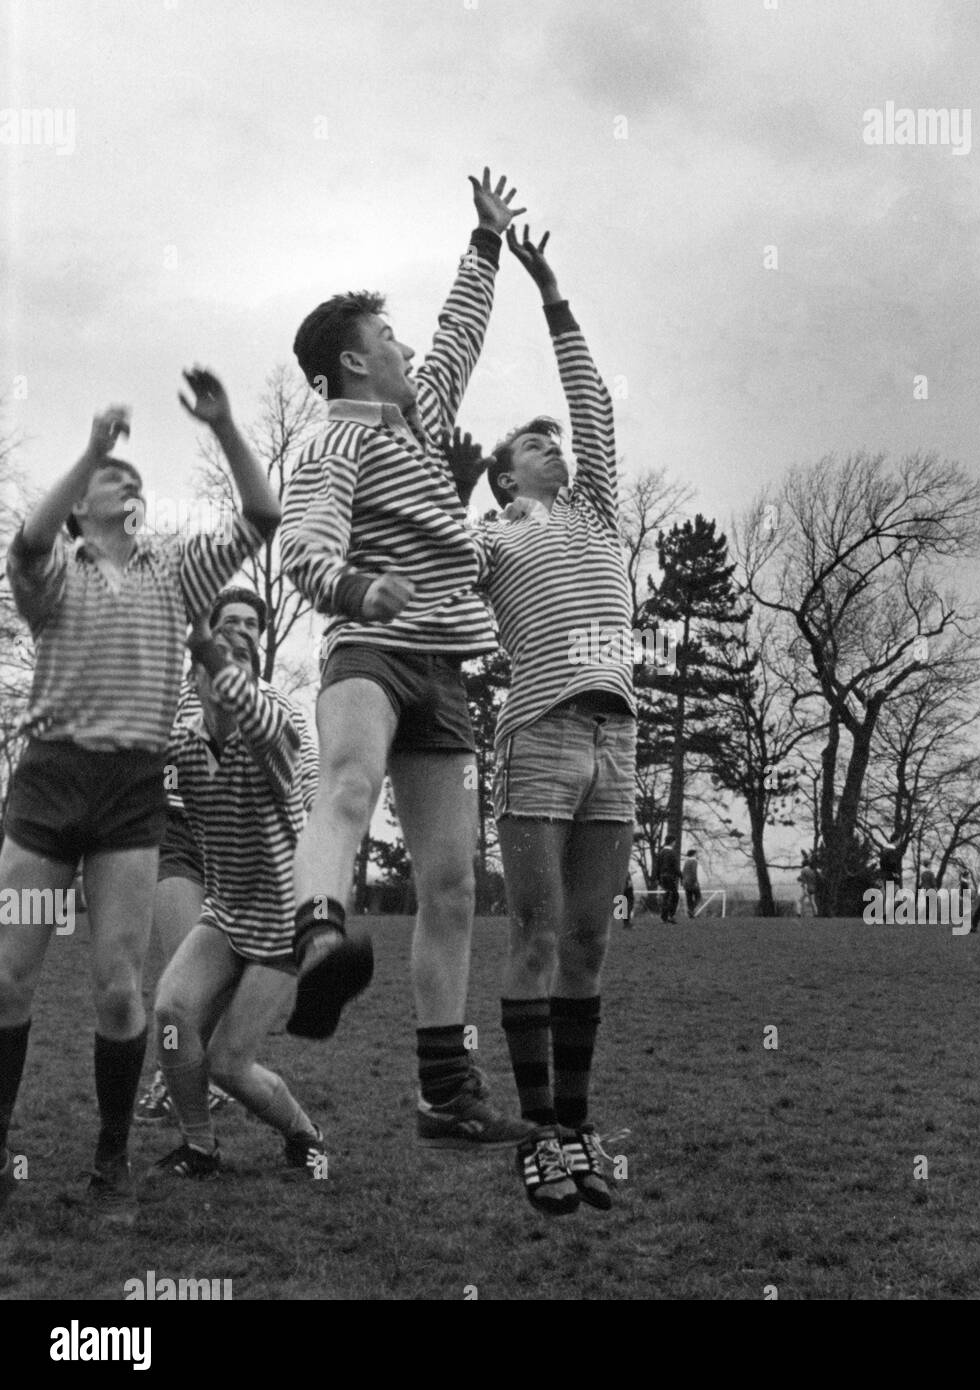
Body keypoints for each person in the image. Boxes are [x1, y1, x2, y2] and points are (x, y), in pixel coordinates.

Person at [280, 168, 530, 1149]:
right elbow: (303, 548)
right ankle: (320, 936)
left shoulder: (421, 418)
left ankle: (442, 1090)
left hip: (445, 668)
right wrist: (354, 588)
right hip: (370, 653)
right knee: (345, 781)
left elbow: (460, 332)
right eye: (386, 336)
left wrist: (485, 242)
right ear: (352, 359)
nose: (404, 343)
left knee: (454, 881)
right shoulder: (334, 445)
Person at [0, 374, 279, 1222]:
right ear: (81, 506)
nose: (128, 481)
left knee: (120, 990)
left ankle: (110, 1156)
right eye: (109, 478)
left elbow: (261, 517)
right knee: (9, 976)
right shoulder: (55, 568)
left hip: (128, 793)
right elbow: (23, 543)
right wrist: (91, 447)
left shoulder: (179, 575)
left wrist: (228, 425)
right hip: (49, 782)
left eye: (134, 478)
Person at [478, 225, 635, 1215]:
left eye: (554, 439)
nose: (555, 444)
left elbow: (595, 402)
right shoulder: (490, 536)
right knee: (535, 932)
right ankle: (536, 1141)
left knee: (588, 941)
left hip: (613, 738)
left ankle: (575, 1131)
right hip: (536, 737)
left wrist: (549, 287)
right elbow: (434, 582)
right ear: (505, 477)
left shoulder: (600, 514)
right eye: (534, 443)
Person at [152, 616, 324, 1179]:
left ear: (253, 676)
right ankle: (200, 1148)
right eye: (212, 664)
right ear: (194, 680)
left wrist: (205, 639)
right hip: (225, 914)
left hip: (281, 920)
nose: (226, 673)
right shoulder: (181, 743)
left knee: (228, 1063)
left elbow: (256, 714)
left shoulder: (273, 731)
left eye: (241, 660)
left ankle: (304, 1134)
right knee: (172, 1013)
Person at [135, 586, 283, 1123]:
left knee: (224, 1035)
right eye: (231, 624)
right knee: (180, 985)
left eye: (251, 626)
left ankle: (294, 1130)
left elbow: (304, 772)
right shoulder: (181, 711)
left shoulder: (271, 715)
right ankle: (183, 1107)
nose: (242, 631)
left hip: (256, 882)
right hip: (186, 847)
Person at [655, 837, 681, 923]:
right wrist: (681, 876)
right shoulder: (672, 853)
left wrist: (658, 878)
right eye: (674, 842)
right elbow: (675, 867)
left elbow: (657, 867)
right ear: (672, 842)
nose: (675, 844)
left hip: (662, 877)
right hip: (669, 877)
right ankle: (671, 915)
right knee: (675, 896)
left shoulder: (661, 852)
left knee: (666, 896)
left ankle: (664, 917)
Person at [682, 849, 702, 919]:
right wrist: (696, 882)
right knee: (698, 897)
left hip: (686, 883)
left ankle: (691, 915)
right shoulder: (694, 861)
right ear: (694, 854)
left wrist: (683, 881)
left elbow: (683, 872)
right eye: (696, 853)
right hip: (692, 882)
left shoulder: (686, 862)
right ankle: (690, 910)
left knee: (689, 899)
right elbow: (694, 872)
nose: (697, 855)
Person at [797, 854, 817, 918]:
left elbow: (803, 879)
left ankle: (799, 914)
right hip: (813, 888)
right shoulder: (812, 870)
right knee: (813, 902)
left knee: (799, 901)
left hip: (806, 888)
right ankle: (816, 914)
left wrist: (799, 879)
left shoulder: (803, 870)